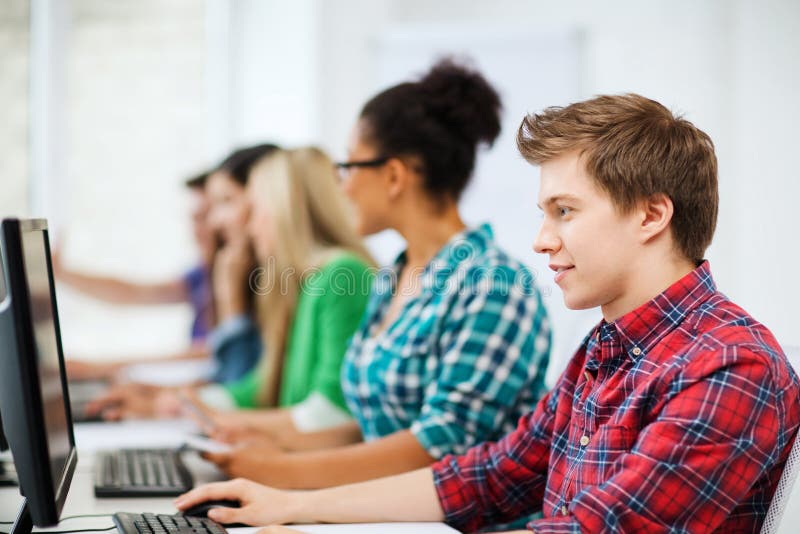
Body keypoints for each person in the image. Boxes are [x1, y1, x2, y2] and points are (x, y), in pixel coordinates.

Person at [175, 94, 800, 533]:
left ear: (651, 215)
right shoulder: (606, 348)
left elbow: (600, 529)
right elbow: (493, 474)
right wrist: (290, 505)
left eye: (565, 211)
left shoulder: (728, 365)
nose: (541, 240)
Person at [195, 59, 551, 490]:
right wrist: (277, 445)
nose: (342, 185)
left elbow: (438, 446)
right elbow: (373, 427)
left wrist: (282, 471)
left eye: (350, 166)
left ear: (395, 175)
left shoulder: (492, 285)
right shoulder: (392, 278)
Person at [191, 146, 375, 439]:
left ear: (283, 212)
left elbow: (331, 412)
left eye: (256, 212)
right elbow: (261, 387)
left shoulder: (342, 274)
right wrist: (185, 403)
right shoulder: (305, 281)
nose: (251, 229)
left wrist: (218, 419)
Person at [85, 144, 280, 419]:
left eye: (224, 203)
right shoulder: (222, 271)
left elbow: (242, 380)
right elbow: (231, 378)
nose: (212, 223)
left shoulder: (276, 280)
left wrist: (164, 400)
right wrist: (163, 394)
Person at [56, 170, 216, 381]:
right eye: (193, 219)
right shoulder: (204, 273)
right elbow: (134, 293)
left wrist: (102, 367)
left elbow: (212, 353)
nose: (195, 231)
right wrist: (60, 273)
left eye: (203, 218)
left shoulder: (249, 280)